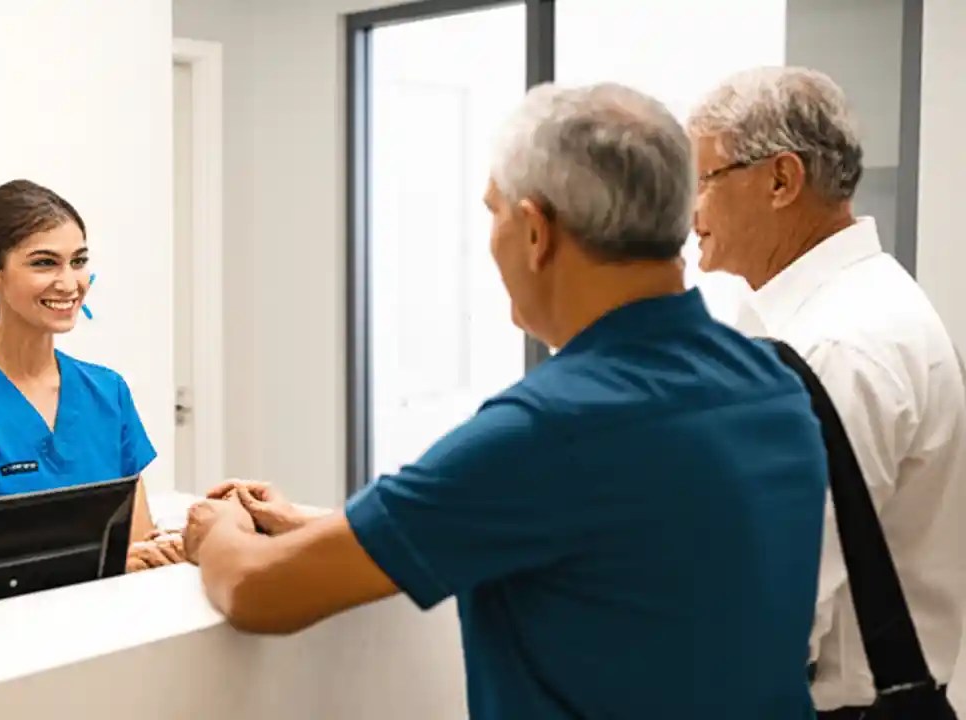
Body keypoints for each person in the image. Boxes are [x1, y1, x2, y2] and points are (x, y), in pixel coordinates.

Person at [183, 82, 829, 719]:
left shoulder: (552, 429)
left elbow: (257, 591)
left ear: (534, 231)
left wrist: (220, 534)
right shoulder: (770, 385)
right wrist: (311, 528)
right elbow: (626, 551)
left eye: (492, 211)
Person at [688, 66, 966, 716]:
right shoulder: (846, 312)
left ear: (781, 180)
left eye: (705, 178)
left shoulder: (839, 346)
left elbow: (778, 602)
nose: (692, 208)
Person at [0, 179, 184, 573]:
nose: (69, 283)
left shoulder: (108, 392)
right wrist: (105, 563)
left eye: (78, 261)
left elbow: (137, 542)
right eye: (44, 263)